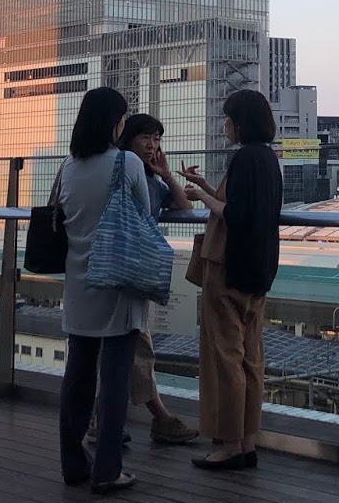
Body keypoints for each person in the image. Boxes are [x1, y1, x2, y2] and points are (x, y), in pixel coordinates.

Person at [183, 89, 282, 471]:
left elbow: (237, 215)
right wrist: (207, 188)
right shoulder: (268, 160)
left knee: (225, 358)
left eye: (228, 119)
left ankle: (227, 445)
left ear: (240, 122)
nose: (224, 125)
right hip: (259, 271)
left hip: (228, 269)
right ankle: (247, 440)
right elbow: (252, 209)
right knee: (251, 359)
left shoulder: (243, 158)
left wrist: (207, 200)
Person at [56, 87, 149, 493]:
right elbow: (146, 216)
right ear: (116, 122)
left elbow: (57, 217)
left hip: (78, 281)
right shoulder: (127, 163)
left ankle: (73, 462)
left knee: (77, 374)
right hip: (119, 281)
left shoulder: (67, 166)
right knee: (114, 378)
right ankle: (109, 468)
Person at [114, 113, 197, 445]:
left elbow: (184, 207)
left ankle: (108, 420)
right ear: (129, 139)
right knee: (136, 344)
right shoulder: (118, 172)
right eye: (146, 138)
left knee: (130, 345)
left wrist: (166, 174)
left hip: (139, 271)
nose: (153, 146)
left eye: (158, 139)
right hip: (121, 270)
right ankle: (157, 418)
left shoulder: (151, 180)